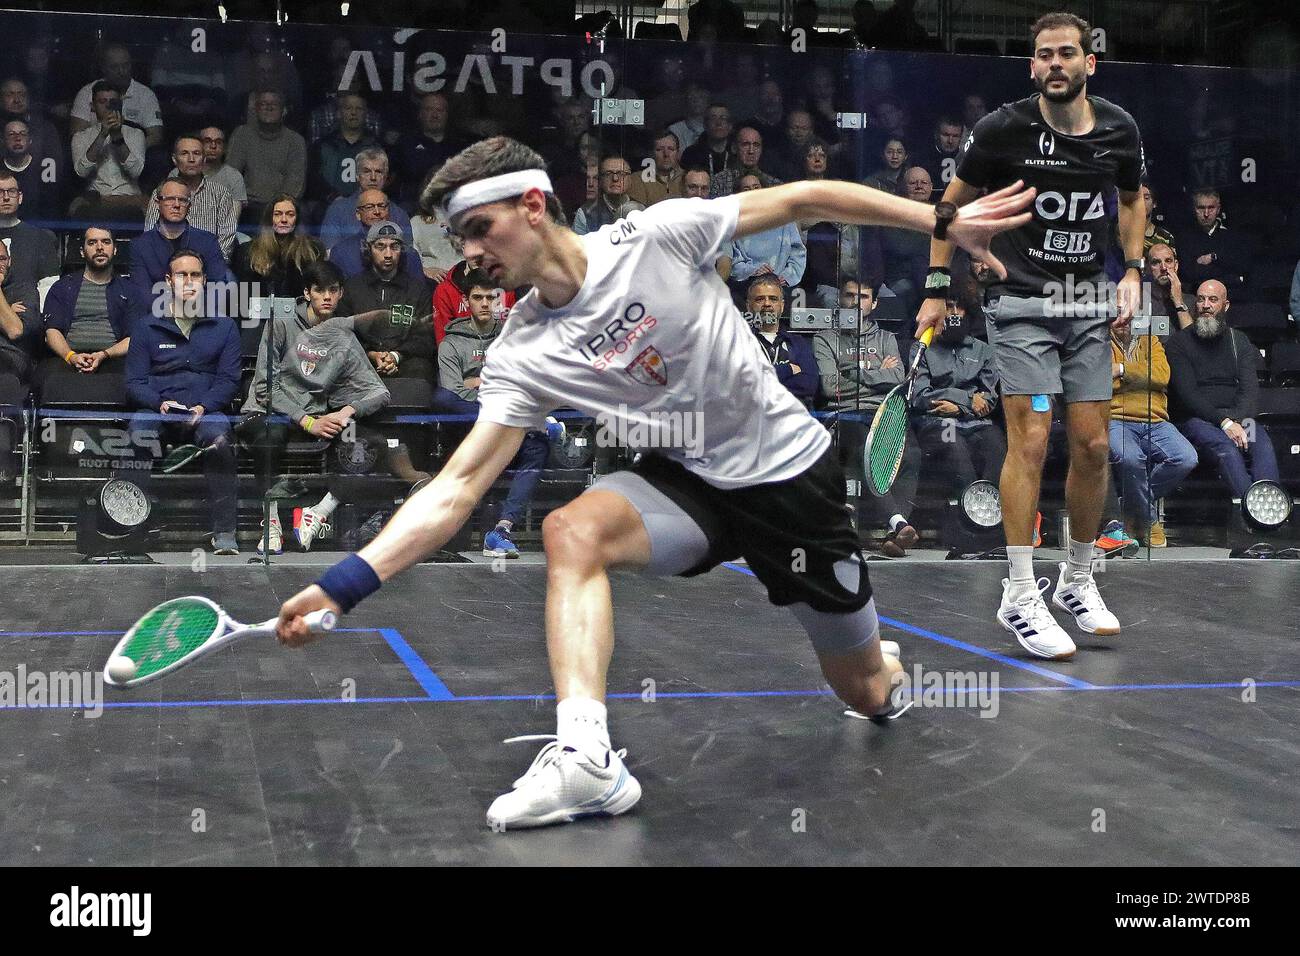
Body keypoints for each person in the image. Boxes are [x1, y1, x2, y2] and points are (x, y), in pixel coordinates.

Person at [272, 135, 1030, 831]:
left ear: (532, 206)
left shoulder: (657, 234)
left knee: (865, 694)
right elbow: (457, 486)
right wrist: (343, 584)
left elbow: (804, 197)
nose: (467, 254)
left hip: (792, 480)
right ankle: (588, 761)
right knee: (572, 531)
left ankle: (883, 664)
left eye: (477, 228)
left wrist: (941, 219)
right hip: (685, 482)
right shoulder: (521, 351)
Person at [917, 11, 1144, 660]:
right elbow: (947, 206)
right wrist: (937, 286)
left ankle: (1076, 580)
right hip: (1018, 304)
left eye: (1066, 54)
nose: (1054, 64)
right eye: (1043, 55)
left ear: (1088, 64)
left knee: (1096, 445)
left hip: (1086, 307)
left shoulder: (1120, 130)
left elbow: (1132, 198)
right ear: (1032, 66)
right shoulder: (1002, 130)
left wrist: (1129, 271)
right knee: (1035, 438)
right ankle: (1020, 592)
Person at [241, 260, 426, 554]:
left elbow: (378, 391)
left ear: (340, 294)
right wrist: (306, 420)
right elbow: (265, 388)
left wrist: (345, 412)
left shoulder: (344, 337)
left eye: (333, 290)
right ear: (307, 293)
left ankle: (319, 511)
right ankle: (271, 521)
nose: (327, 296)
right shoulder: (280, 324)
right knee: (269, 440)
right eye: (319, 290)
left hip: (317, 417)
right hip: (269, 413)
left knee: (370, 444)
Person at [124, 249, 241, 554]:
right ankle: (133, 527)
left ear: (204, 281)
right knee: (139, 431)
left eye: (196, 275)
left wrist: (204, 407)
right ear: (168, 281)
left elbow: (229, 380)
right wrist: (159, 403)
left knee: (220, 439)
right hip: (159, 409)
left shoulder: (224, 326)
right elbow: (134, 382)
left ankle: (225, 531)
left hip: (206, 410)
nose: (189, 281)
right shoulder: (146, 326)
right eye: (181, 274)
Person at [435, 270, 554, 558]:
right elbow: (453, 391)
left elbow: (526, 379)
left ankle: (501, 529)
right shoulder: (451, 342)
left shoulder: (512, 336)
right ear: (467, 301)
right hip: (472, 425)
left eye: (491, 297)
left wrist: (478, 381)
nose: (485, 303)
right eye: (478, 297)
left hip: (507, 421)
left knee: (538, 446)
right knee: (444, 398)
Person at [813, 277, 922, 556]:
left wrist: (852, 373)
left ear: (873, 304)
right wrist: (878, 375)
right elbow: (830, 386)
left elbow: (898, 378)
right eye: (849, 296)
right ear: (841, 301)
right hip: (846, 415)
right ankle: (899, 524)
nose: (855, 302)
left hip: (883, 413)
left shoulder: (887, 338)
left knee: (911, 455)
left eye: (862, 297)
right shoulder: (825, 337)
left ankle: (893, 535)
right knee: (868, 451)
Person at [1167, 279, 1280, 503]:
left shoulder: (1239, 341)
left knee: (1262, 444)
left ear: (1225, 306)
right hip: (1196, 420)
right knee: (1225, 448)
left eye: (1213, 299)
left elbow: (1249, 391)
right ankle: (1253, 512)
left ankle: (1270, 507)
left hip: (1237, 419)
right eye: (1200, 299)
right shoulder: (1178, 343)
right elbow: (1187, 395)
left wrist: (1235, 421)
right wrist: (1225, 423)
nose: (1205, 305)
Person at [1108, 311, 1197, 548]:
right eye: (1117, 316)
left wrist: (1122, 370)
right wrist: (1140, 374)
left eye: (1127, 317)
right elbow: (1103, 380)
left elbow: (1162, 375)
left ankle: (1130, 506)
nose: (1122, 322)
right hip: (1116, 417)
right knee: (1130, 458)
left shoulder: (1150, 340)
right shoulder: (1099, 342)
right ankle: (1147, 521)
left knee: (1185, 458)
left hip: (1155, 419)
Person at [910, 290, 1005, 498]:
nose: (953, 313)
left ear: (967, 311)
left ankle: (989, 513)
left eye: (958, 307)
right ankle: (970, 512)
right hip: (940, 422)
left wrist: (959, 408)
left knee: (997, 448)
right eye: (948, 306)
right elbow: (921, 396)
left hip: (978, 424)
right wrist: (968, 399)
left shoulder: (984, 351)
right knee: (956, 449)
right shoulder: (922, 348)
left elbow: (987, 401)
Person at [39, 227, 139, 403]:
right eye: (92, 243)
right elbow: (51, 332)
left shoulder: (129, 290)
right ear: (82, 251)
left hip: (113, 359)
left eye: (106, 242)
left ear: (115, 249)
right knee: (48, 381)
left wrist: (103, 355)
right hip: (66, 358)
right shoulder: (63, 287)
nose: (99, 247)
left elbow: (135, 338)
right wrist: (71, 357)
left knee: (132, 383)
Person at [339, 222, 436, 384]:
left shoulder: (418, 289)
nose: (388, 254)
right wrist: (370, 354)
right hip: (361, 361)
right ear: (368, 249)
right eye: (380, 246)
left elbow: (425, 338)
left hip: (405, 362)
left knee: (422, 369)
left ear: (402, 250)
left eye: (394, 247)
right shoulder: (351, 288)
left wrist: (395, 356)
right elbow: (342, 332)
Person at [143, 135, 240, 260]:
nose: (191, 159)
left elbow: (226, 238)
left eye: (196, 153)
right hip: (166, 265)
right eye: (184, 153)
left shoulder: (221, 193)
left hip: (210, 264)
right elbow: (150, 234)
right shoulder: (160, 193)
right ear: (174, 159)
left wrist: (207, 265)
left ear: (204, 159)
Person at [130, 180, 229, 300]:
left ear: (189, 206)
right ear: (157, 203)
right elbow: (142, 293)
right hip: (157, 314)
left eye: (182, 200)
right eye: (170, 199)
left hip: (200, 312)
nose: (176, 205)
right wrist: (172, 311)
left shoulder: (207, 241)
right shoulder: (140, 245)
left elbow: (217, 288)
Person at [68, 81, 148, 219]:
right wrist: (102, 135)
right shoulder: (80, 137)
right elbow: (81, 171)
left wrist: (117, 136)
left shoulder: (136, 134)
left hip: (130, 200)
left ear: (120, 104)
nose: (107, 106)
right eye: (102, 101)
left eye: (113, 102)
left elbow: (135, 171)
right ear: (93, 106)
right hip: (96, 201)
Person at [68, 43, 164, 149]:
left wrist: (130, 151)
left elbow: (156, 136)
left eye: (125, 65)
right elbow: (76, 134)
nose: (121, 71)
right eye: (115, 67)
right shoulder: (87, 92)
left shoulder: (146, 95)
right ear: (104, 68)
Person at [227, 91, 307, 217]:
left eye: (274, 104)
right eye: (263, 103)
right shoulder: (242, 134)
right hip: (247, 205)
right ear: (256, 109)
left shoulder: (295, 140)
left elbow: (295, 183)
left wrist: (277, 205)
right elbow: (231, 173)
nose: (269, 107)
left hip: (282, 205)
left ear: (284, 110)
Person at [230, 194, 325, 298]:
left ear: (297, 219)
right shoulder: (248, 251)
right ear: (269, 218)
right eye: (278, 214)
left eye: (290, 214)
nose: (284, 220)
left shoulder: (313, 250)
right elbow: (243, 296)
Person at [318, 148, 413, 252]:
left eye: (378, 172)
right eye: (367, 171)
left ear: (385, 177)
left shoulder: (399, 215)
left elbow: (407, 254)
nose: (373, 177)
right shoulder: (337, 210)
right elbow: (330, 252)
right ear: (357, 176)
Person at [746, 275, 818, 408]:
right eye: (760, 299)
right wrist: (788, 369)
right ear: (749, 306)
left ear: (782, 305)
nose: (767, 304)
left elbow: (809, 384)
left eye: (773, 299)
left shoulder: (798, 343)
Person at [0, 171, 58, 287]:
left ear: (20, 197)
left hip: (30, 304)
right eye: (0, 192)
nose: (6, 197)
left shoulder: (41, 238)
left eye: (12, 191)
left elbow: (49, 288)